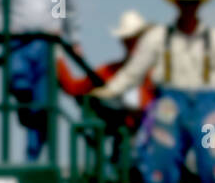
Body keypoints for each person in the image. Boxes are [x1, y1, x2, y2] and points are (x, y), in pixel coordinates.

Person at [89, 0, 215, 183]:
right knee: (162, 156)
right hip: (171, 104)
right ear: (176, 5)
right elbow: (134, 70)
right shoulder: (159, 38)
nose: (188, 7)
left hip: (207, 109)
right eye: (184, 3)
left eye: (192, 3)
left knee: (212, 157)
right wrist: (111, 90)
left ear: (199, 5)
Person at [0, 0, 79, 163]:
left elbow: (66, 5)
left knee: (42, 105)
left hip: (47, 45)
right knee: (21, 87)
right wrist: (2, 27)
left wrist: (72, 37)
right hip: (17, 43)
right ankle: (27, 124)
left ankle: (32, 158)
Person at [56, 9, 154, 142]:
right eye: (128, 39)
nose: (132, 44)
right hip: (125, 143)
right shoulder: (109, 71)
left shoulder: (156, 73)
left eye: (136, 38)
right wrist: (57, 55)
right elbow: (74, 87)